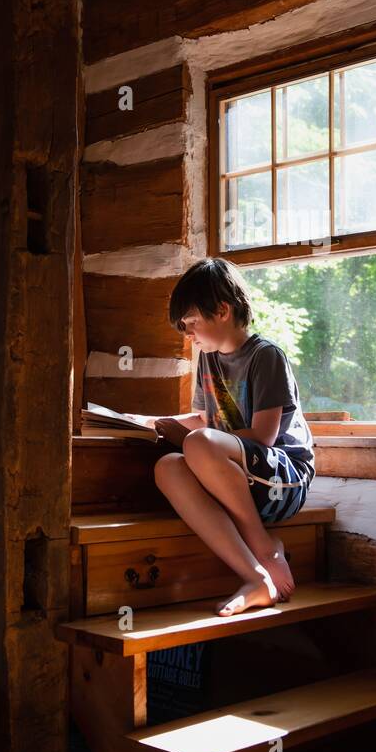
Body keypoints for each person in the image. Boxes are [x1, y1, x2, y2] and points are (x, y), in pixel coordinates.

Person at [145, 257, 315, 617]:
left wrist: (203, 441)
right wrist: (145, 421)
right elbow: (204, 420)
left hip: (283, 480)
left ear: (222, 310)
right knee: (168, 467)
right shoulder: (208, 359)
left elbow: (265, 437)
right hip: (237, 475)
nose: (187, 335)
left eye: (191, 323)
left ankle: (265, 550)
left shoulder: (265, 356)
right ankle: (255, 577)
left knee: (199, 443)